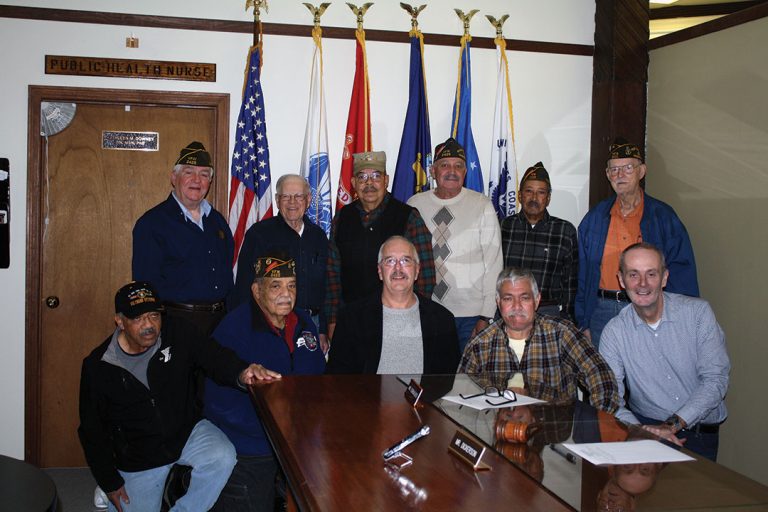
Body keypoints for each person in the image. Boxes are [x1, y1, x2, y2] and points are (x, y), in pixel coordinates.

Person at [78, 281, 277, 512]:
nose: (149, 325)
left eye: (154, 316)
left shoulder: (178, 332)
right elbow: (91, 430)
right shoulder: (98, 367)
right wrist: (109, 481)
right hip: (138, 457)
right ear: (120, 322)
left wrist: (243, 372)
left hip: (184, 432)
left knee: (222, 456)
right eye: (138, 319)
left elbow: (214, 357)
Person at [205, 253, 326, 511]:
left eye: (291, 285)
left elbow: (318, 380)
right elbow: (215, 400)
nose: (286, 293)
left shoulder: (304, 322)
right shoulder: (234, 329)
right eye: (276, 286)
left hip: (299, 439)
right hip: (252, 442)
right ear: (256, 290)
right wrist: (269, 430)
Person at [600, 242, 730, 461]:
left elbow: (716, 380)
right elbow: (610, 398)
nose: (643, 284)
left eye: (651, 274)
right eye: (633, 275)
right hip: (644, 430)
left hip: (699, 435)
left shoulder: (698, 314)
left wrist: (670, 426)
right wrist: (643, 431)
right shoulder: (614, 332)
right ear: (621, 280)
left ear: (665, 277)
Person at [575, 138, 698, 349]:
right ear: (607, 175)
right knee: (604, 379)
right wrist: (583, 321)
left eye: (627, 168)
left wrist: (679, 321)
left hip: (647, 308)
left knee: (647, 377)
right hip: (601, 311)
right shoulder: (594, 218)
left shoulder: (663, 218)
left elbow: (681, 272)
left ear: (641, 172)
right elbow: (583, 275)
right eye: (614, 170)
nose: (619, 175)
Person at [458, 268, 619, 413]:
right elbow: (461, 397)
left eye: (524, 298)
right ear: (498, 303)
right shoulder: (480, 344)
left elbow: (602, 378)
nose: (517, 306)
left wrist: (596, 424)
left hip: (552, 435)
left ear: (537, 300)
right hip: (499, 435)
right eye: (508, 298)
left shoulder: (562, 334)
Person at [325, 151, 435, 339]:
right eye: (362, 177)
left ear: (386, 180)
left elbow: (424, 276)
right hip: (351, 321)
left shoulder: (408, 217)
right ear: (353, 184)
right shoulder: (342, 219)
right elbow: (332, 276)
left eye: (376, 176)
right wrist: (333, 321)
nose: (369, 183)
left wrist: (412, 318)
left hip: (397, 321)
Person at [407, 138, 503, 352]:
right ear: (433, 171)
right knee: (432, 378)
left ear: (465, 172)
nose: (452, 171)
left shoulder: (482, 205)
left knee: (468, 382)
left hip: (471, 316)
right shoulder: (415, 205)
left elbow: (494, 263)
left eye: (458, 166)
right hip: (427, 311)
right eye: (445, 165)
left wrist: (486, 315)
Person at [132, 141, 234, 335]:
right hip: (176, 322)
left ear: (209, 182)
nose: (197, 180)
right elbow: (145, 286)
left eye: (204, 174)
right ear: (174, 177)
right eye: (188, 172)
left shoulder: (217, 221)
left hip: (220, 324)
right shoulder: (152, 223)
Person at [326, 236, 459, 374]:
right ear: (379, 271)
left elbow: (448, 382)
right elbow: (337, 381)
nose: (398, 268)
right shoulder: (351, 319)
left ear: (417, 270)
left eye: (405, 260)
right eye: (390, 261)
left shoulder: (442, 320)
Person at [230, 174, 328, 349]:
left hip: (312, 325)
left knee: (309, 375)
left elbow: (326, 286)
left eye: (298, 196)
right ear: (277, 200)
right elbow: (245, 286)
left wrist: (323, 331)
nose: (292, 202)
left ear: (308, 199)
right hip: (271, 324)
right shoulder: (259, 234)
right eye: (286, 196)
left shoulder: (318, 236)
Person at [500, 162, 578, 320]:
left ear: (548, 198)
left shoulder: (565, 231)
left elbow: (571, 282)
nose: (534, 198)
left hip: (548, 312)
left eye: (541, 192)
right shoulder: (503, 227)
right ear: (520, 195)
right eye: (529, 191)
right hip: (509, 310)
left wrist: (568, 318)